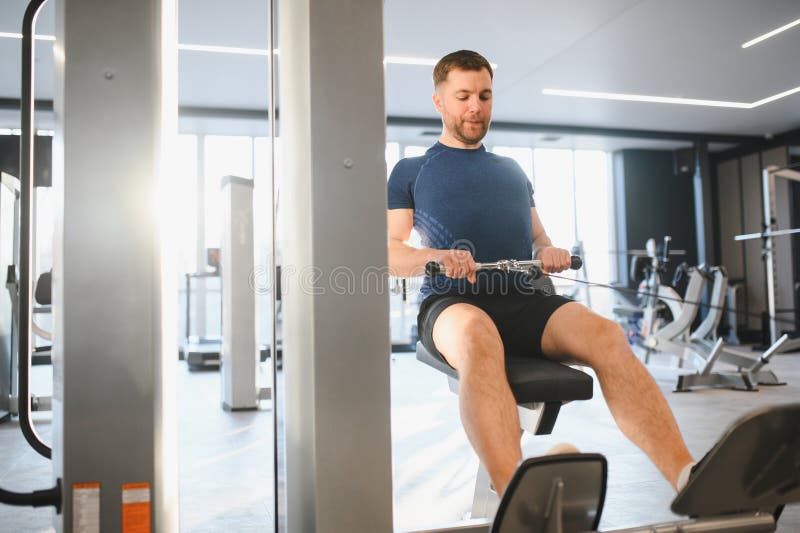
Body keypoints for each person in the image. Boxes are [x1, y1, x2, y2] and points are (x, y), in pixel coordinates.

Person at [386, 50, 696, 496]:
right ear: (439, 102)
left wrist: (550, 252)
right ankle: (515, 492)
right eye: (464, 96)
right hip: (453, 303)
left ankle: (687, 476)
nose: (476, 106)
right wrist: (434, 256)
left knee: (607, 335)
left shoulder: (511, 171)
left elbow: (540, 239)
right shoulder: (412, 171)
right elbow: (391, 252)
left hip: (525, 301)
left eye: (485, 95)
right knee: (478, 335)